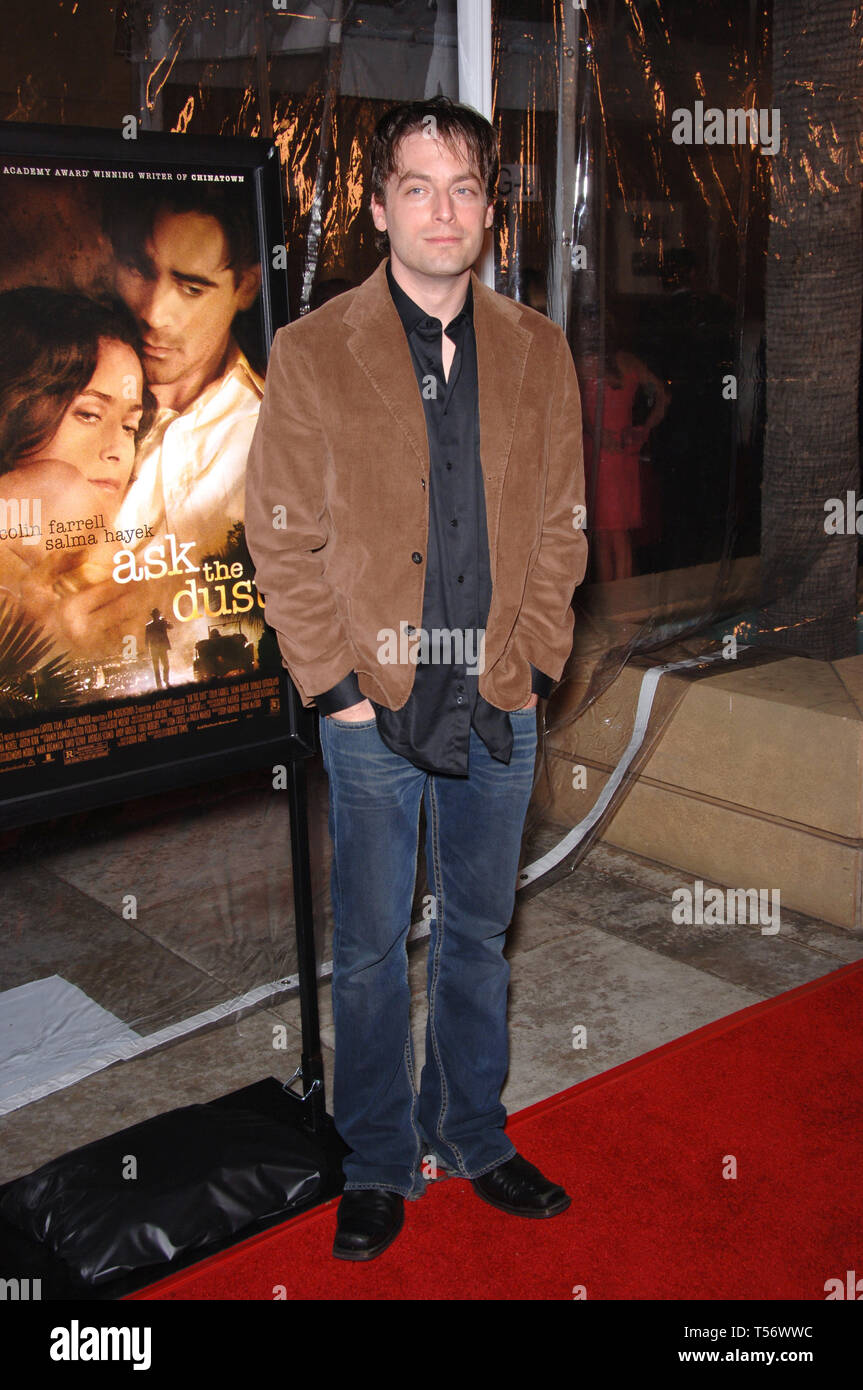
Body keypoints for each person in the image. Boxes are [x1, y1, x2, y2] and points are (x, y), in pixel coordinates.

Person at [245, 95, 588, 1262]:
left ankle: (476, 1134)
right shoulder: (310, 350)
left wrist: (535, 660)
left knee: (480, 934)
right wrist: (334, 687)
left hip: (495, 696)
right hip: (371, 704)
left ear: (487, 210)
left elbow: (561, 527)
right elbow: (277, 535)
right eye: (416, 186)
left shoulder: (539, 349)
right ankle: (381, 1158)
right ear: (379, 203)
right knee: (371, 949)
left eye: (463, 189)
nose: (440, 210)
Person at [0, 287, 155, 629]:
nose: (116, 449)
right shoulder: (56, 488)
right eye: (88, 414)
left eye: (130, 426)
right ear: (14, 409)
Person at [145, 607, 172, 689]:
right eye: (156, 614)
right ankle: (162, 683)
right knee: (160, 667)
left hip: (157, 649)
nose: (157, 616)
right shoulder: (152, 625)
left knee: (165, 666)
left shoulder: (160, 623)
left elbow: (171, 627)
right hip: (156, 649)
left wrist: (166, 621)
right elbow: (146, 639)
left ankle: (163, 682)